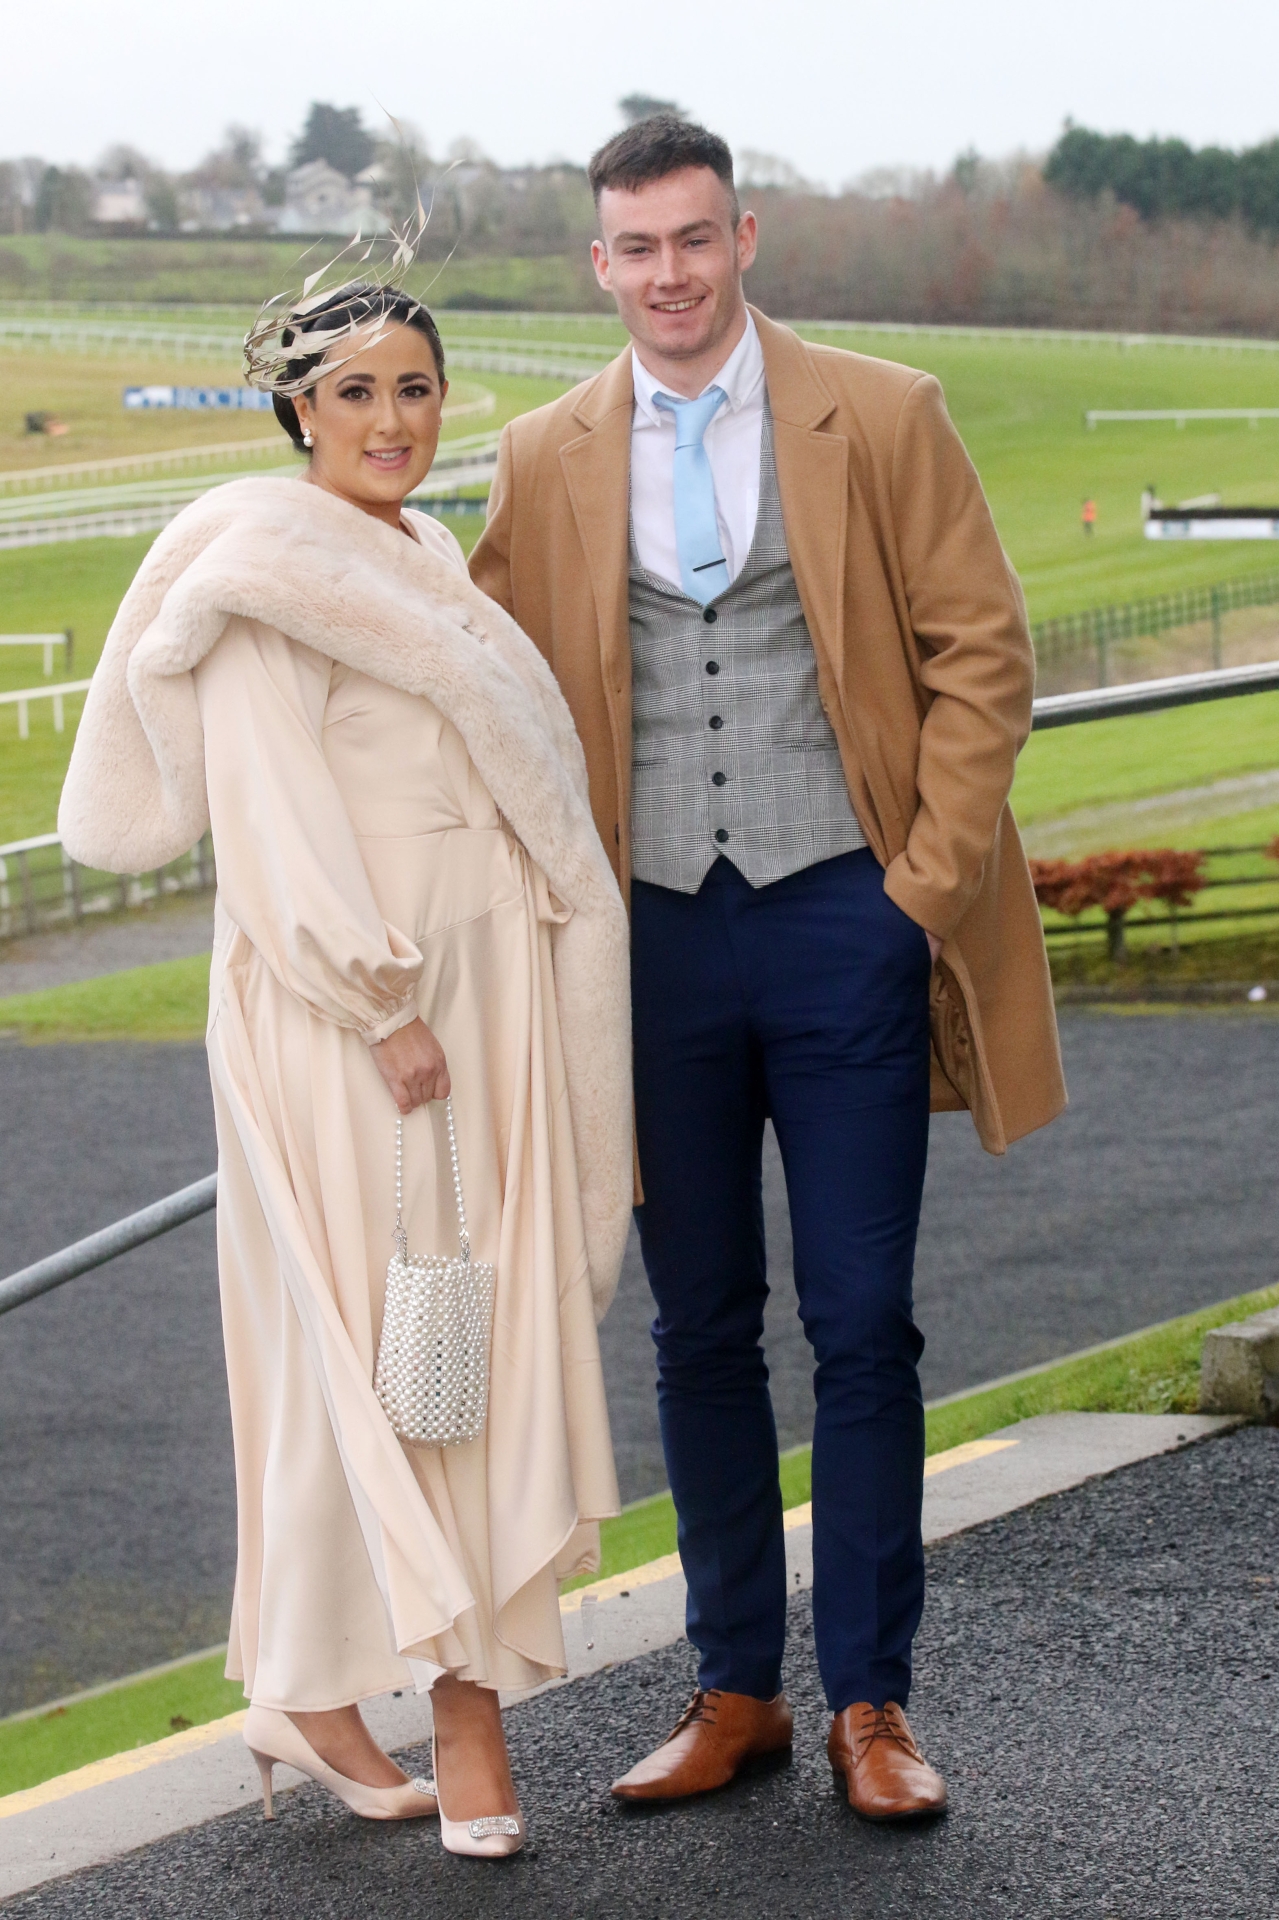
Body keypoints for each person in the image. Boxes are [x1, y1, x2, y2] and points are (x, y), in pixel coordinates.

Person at [470, 117, 1065, 1823]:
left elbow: (985, 656)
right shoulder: (542, 454)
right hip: (650, 946)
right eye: (636, 247)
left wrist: (914, 893)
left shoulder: (881, 410)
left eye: (694, 238)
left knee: (863, 1320)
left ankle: (874, 1702)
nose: (668, 274)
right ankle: (736, 1690)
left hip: (841, 921)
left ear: (745, 238)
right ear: (599, 264)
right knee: (699, 1326)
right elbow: (481, 692)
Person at [59, 283, 632, 1860]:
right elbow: (272, 818)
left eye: (417, 388)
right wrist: (381, 1006)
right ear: (298, 409)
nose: (392, 420)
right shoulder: (263, 577)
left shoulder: (427, 554)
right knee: (407, 1348)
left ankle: (306, 1687)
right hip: (362, 1017)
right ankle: (464, 1706)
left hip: (484, 997)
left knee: (431, 1341)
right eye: (357, 391)